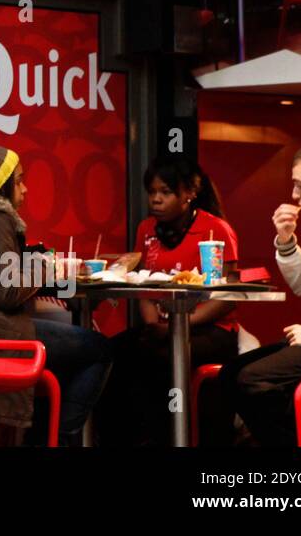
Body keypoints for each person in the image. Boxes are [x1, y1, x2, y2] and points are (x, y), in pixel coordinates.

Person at [0, 144, 112, 446]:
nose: (25, 189)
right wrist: (45, 266)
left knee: (72, 350)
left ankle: (43, 433)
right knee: (99, 349)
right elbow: (7, 291)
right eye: (19, 181)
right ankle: (59, 439)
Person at [97, 155, 240, 446]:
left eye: (165, 192)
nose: (156, 200)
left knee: (155, 363)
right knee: (107, 355)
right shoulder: (146, 229)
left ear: (189, 193)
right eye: (152, 193)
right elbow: (142, 280)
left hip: (210, 330)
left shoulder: (216, 230)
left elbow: (229, 296)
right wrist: (152, 321)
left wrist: (183, 322)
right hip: (160, 328)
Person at [221, 140, 301, 446]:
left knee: (254, 380)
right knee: (230, 373)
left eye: (300, 185)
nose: (294, 195)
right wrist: (286, 241)